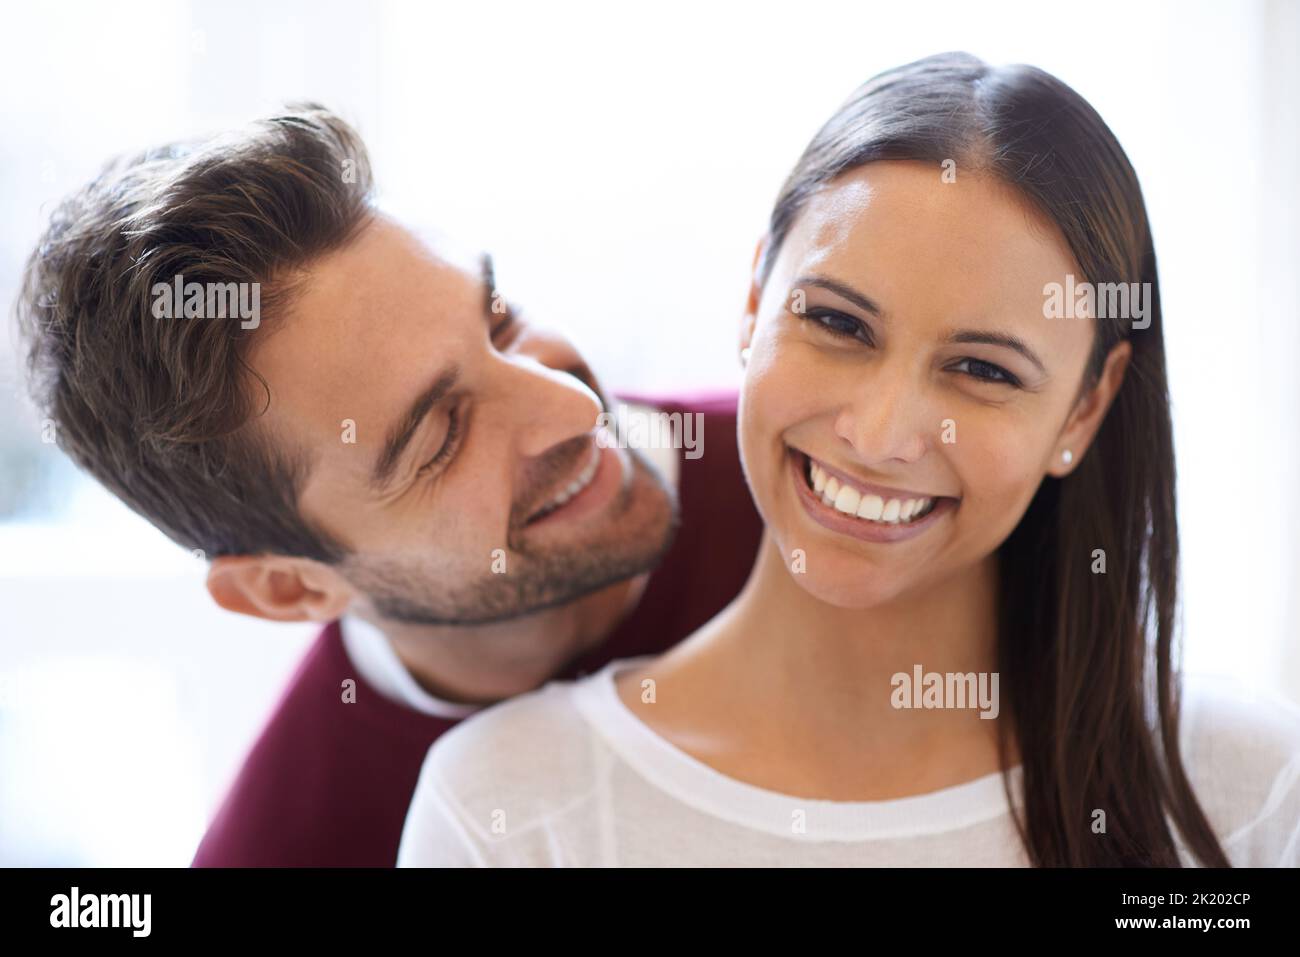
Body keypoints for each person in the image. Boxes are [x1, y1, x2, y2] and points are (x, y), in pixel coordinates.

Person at [397, 53, 1300, 867]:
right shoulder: (506, 811)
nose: (877, 433)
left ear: (1087, 405)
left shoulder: (1250, 801)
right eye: (836, 322)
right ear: (754, 299)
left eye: (983, 369)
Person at [15, 106, 762, 866]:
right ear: (288, 589)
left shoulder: (835, 489)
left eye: (501, 320)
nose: (573, 408)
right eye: (442, 435)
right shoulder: (295, 844)